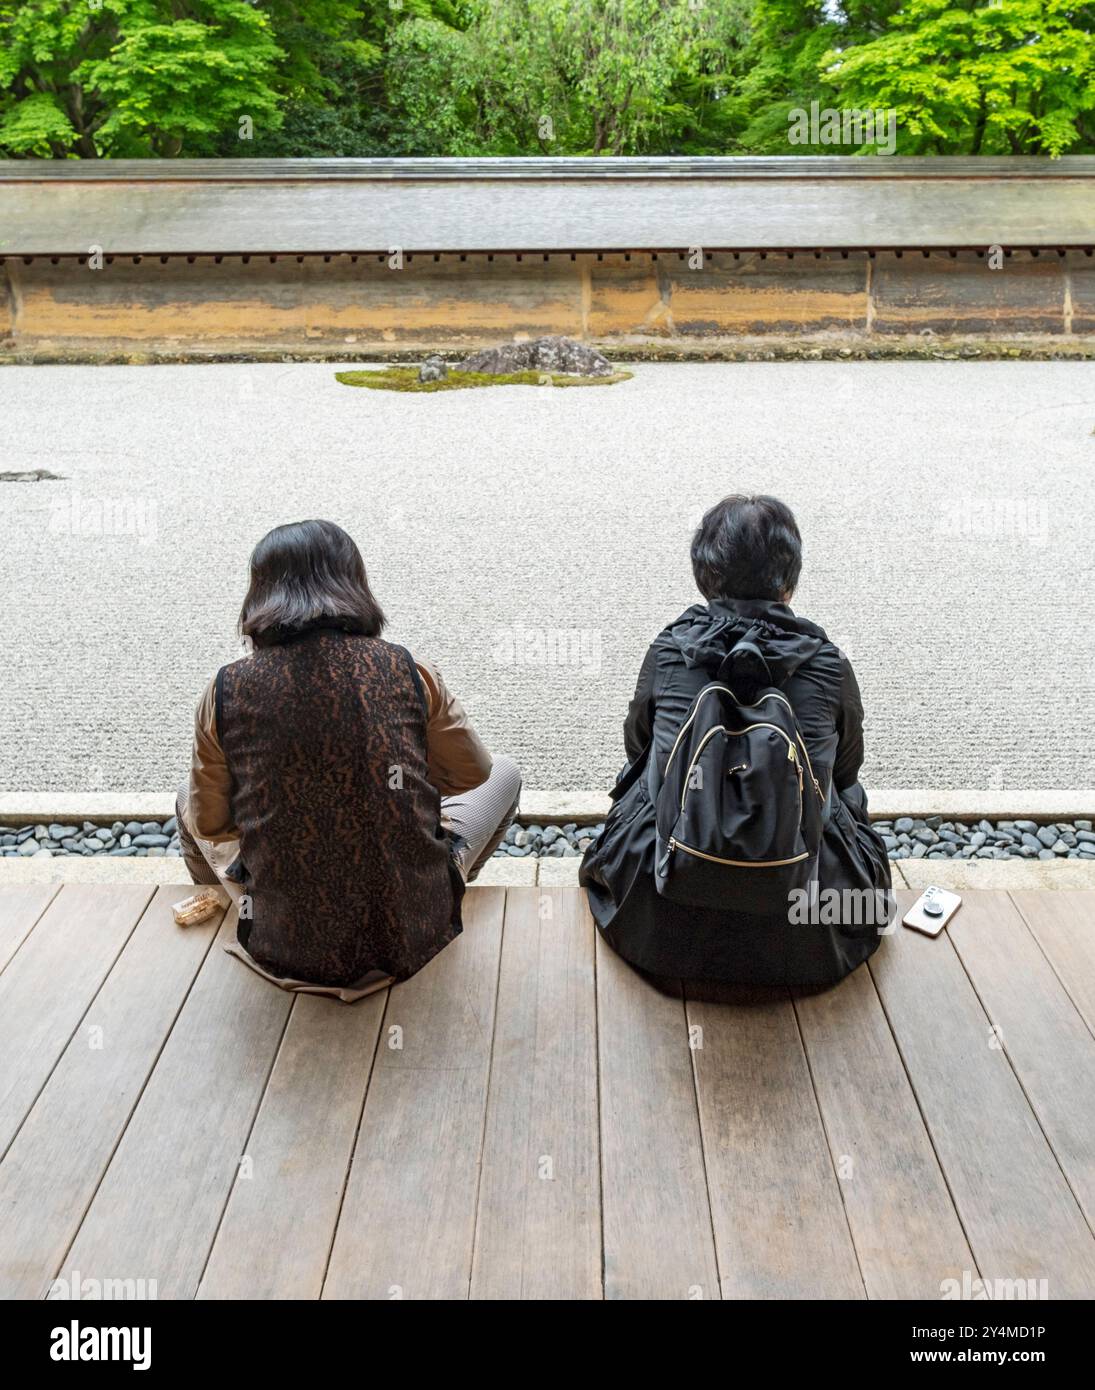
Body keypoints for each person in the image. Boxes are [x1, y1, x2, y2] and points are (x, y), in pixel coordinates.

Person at [177, 519, 520, 1000]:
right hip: (410, 934)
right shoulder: (408, 668)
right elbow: (473, 773)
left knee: (185, 799)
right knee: (506, 773)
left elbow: (212, 825)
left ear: (259, 595)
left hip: (286, 943)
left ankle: (241, 905)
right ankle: (440, 889)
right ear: (353, 584)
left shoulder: (226, 690)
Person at [580, 494, 891, 989]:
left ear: (705, 575)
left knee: (642, 781)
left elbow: (637, 752)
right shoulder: (828, 664)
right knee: (846, 794)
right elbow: (848, 773)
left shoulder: (670, 651)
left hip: (661, 931)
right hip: (808, 941)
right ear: (789, 580)